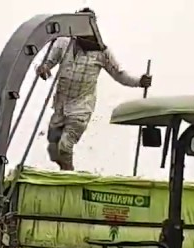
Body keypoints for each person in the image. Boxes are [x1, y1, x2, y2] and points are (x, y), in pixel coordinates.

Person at [36, 8, 151, 171]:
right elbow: (48, 62)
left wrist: (140, 81)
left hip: (81, 108)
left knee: (65, 146)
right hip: (61, 105)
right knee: (53, 146)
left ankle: (68, 177)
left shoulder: (102, 53)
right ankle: (66, 169)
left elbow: (119, 75)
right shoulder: (63, 43)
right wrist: (43, 69)